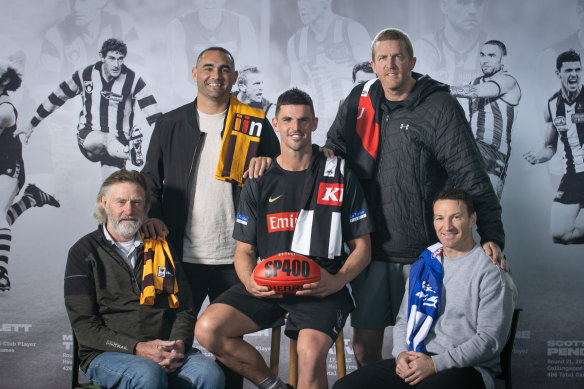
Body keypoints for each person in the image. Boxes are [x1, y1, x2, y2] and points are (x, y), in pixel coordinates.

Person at [323, 28, 505, 368]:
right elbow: (336, 149)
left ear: (412, 62)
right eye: (383, 58)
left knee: (419, 354)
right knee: (364, 351)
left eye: (398, 57)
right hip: (369, 250)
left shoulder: (438, 106)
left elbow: (470, 173)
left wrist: (492, 233)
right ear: (374, 65)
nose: (391, 65)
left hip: (423, 254)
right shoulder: (358, 101)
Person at [195, 88, 373, 389]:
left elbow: (363, 248)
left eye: (303, 120)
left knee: (310, 354)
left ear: (315, 123)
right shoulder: (258, 178)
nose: (296, 127)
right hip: (271, 280)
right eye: (288, 119)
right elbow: (244, 251)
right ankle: (275, 387)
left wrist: (337, 281)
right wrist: (250, 280)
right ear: (275, 124)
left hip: (321, 284)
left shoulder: (339, 173)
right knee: (209, 329)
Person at [141, 46, 280, 389]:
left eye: (224, 69)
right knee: (172, 348)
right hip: (179, 257)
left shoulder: (254, 122)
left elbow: (287, 173)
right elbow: (149, 180)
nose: (215, 76)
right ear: (195, 73)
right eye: (208, 68)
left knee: (227, 350)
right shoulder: (170, 123)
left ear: (234, 77)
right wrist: (153, 215)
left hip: (236, 258)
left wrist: (271, 165)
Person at [333, 188, 517, 389]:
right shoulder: (426, 263)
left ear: (472, 219)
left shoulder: (491, 272)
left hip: (467, 368)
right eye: (440, 218)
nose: (447, 226)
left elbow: (489, 341)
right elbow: (404, 319)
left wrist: (434, 364)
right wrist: (402, 354)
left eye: (456, 217)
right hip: (417, 358)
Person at [64, 169, 224, 389]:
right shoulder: (82, 252)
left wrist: (177, 345)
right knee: (148, 374)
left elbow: (185, 308)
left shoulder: (161, 247)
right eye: (120, 202)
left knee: (210, 374)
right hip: (108, 354)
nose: (129, 210)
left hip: (166, 349)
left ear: (146, 206)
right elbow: (85, 327)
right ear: (104, 202)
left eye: (136, 202)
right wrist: (137, 348)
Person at [20, 38, 161, 179]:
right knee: (106, 138)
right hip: (90, 136)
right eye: (112, 58)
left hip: (118, 145)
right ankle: (130, 153)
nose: (116, 64)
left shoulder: (133, 79)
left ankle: (128, 152)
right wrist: (33, 123)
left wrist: (166, 143)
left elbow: (153, 113)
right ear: (102, 57)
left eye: (120, 59)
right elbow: (57, 97)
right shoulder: (86, 75)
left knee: (111, 191)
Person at [0, 51, 60, 292]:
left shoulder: (5, 109)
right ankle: (31, 199)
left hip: (7, 166)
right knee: (2, 216)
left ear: (4, 81)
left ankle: (1, 272)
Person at [287, 0, 371, 144]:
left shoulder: (351, 30)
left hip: (356, 120)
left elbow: (376, 77)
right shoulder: (295, 42)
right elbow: (297, 86)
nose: (302, 7)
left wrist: (343, 72)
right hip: (319, 126)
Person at [524, 49, 584, 245]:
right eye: (568, 70)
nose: (574, 74)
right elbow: (550, 146)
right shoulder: (552, 105)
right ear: (558, 74)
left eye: (578, 69)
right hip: (573, 176)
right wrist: (538, 157)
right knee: (559, 234)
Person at [450, 40, 521, 198]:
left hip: (494, 154)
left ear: (503, 59)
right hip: (471, 150)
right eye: (482, 55)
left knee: (486, 213)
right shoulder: (474, 82)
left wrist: (435, 87)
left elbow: (474, 91)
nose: (485, 60)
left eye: (491, 55)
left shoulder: (508, 81)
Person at [167, 0, 260, 102]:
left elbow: (252, 76)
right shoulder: (178, 27)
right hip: (191, 100)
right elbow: (180, 84)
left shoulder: (242, 24)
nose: (209, 2)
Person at [40, 0, 139, 81]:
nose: (75, 8)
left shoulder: (123, 26)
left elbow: (140, 78)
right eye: (72, 1)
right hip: (72, 104)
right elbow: (45, 89)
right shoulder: (55, 35)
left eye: (83, 1)